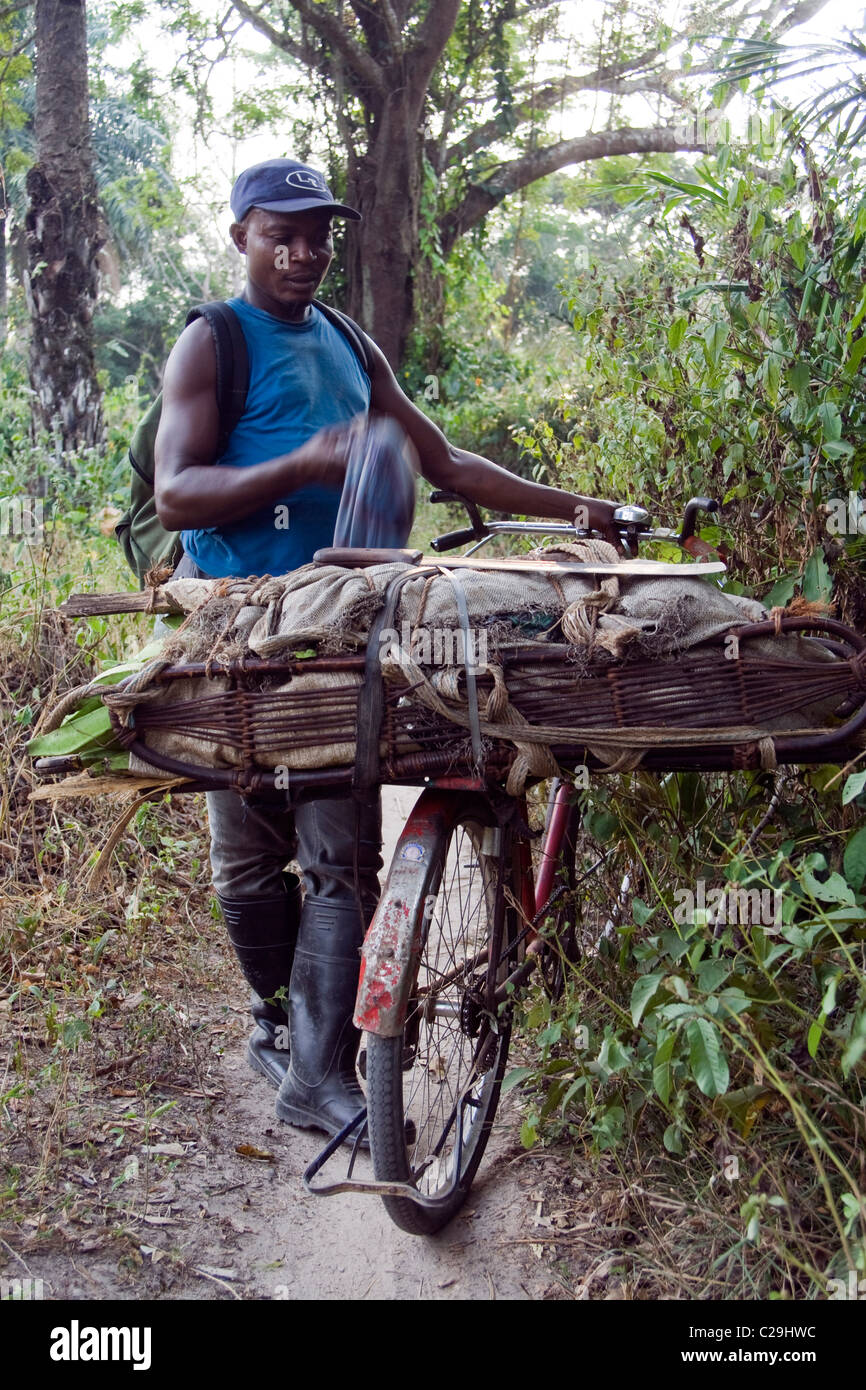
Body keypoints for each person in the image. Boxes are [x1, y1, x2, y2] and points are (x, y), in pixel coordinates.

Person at [154, 156, 617, 1143]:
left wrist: (579, 508)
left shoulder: (350, 344)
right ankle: (277, 1020)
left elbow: (443, 462)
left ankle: (319, 1077)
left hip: (339, 628)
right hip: (238, 629)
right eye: (282, 232)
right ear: (241, 235)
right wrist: (305, 460)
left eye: (319, 233)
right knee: (245, 868)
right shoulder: (212, 342)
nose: (304, 251)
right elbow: (177, 494)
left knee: (339, 858)